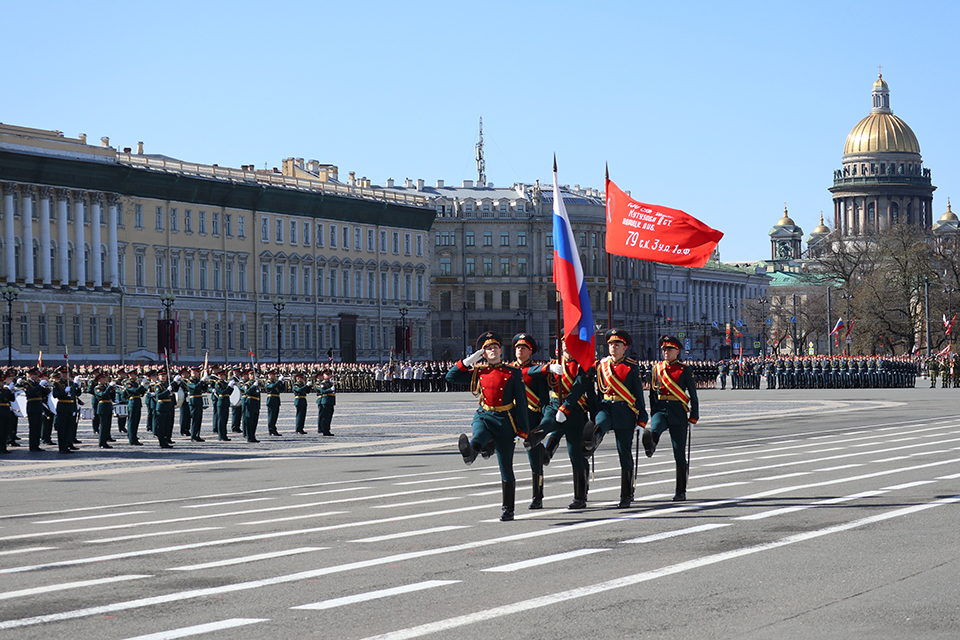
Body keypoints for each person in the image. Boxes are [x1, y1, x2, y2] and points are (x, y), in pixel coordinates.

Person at [448, 331, 529, 522]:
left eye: (494, 347)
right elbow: (451, 377)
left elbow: (522, 403)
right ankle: (471, 450)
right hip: (484, 415)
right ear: (483, 353)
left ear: (501, 350)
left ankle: (508, 509)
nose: (492, 351)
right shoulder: (479, 371)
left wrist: (523, 430)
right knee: (479, 434)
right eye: (487, 349)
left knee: (506, 468)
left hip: (505, 420)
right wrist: (468, 361)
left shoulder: (512, 372)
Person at [585, 329, 647, 508]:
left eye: (617, 345)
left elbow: (638, 393)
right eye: (611, 344)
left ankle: (626, 494)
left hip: (625, 411)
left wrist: (641, 419)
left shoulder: (631, 366)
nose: (613, 347)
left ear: (624, 348)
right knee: (600, 424)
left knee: (624, 453)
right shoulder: (601, 365)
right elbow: (598, 390)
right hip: (606, 407)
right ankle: (590, 443)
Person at [642, 335, 700, 501]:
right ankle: (651, 445)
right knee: (655, 428)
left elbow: (693, 395)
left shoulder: (684, 369)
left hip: (678, 411)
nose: (666, 352)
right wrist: (653, 412)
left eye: (669, 349)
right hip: (661, 409)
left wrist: (694, 416)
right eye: (664, 349)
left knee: (679, 452)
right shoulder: (656, 368)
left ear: (677, 351)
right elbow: (653, 393)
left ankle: (680, 491)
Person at [511, 333, 551, 509]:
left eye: (524, 348)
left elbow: (543, 399)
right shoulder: (508, 369)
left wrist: (543, 422)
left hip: (531, 418)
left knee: (534, 461)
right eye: (518, 347)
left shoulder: (536, 372)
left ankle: (538, 496)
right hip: (511, 418)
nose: (520, 350)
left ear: (530, 352)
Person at [22, 366, 49, 452]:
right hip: (32, 406)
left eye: (36, 374)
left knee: (38, 427)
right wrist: (40, 385)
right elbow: (30, 392)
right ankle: (32, 445)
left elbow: (44, 394)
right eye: (34, 375)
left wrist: (46, 387)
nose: (36, 376)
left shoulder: (37, 384)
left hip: (38, 406)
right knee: (33, 428)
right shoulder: (26, 383)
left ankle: (36, 445)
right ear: (30, 375)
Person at [92, 372, 117, 449]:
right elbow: (103, 395)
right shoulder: (97, 388)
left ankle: (105, 441)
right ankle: (101, 442)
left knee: (107, 425)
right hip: (102, 407)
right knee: (103, 426)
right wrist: (109, 387)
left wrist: (113, 389)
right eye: (103, 378)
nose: (105, 380)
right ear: (99, 380)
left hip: (108, 407)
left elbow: (111, 396)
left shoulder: (106, 387)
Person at [124, 369, 147, 446]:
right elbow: (135, 391)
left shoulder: (135, 383)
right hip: (132, 403)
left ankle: (134, 437)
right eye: (134, 375)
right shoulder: (129, 384)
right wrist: (142, 386)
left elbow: (140, 393)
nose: (135, 376)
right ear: (130, 375)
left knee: (136, 422)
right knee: (132, 422)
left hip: (137, 403)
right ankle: (131, 439)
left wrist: (144, 388)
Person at [241, 369, 261, 443]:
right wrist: (253, 386)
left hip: (256, 404)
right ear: (249, 376)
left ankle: (253, 436)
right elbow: (247, 392)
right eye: (251, 374)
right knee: (249, 421)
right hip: (250, 403)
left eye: (254, 374)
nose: (253, 376)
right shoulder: (247, 384)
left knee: (254, 421)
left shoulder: (257, 384)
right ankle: (249, 437)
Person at [316, 369, 336, 436]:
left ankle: (327, 429)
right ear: (324, 376)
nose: (328, 375)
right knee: (325, 417)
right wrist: (330, 389)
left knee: (329, 416)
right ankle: (325, 430)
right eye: (327, 374)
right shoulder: (323, 383)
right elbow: (322, 391)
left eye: (329, 374)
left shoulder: (330, 383)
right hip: (326, 401)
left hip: (330, 401)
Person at [265, 370, 283, 436]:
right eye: (272, 374)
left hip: (276, 400)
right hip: (271, 400)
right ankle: (271, 430)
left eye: (274, 374)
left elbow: (281, 389)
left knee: (275, 416)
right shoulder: (268, 382)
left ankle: (274, 430)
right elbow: (272, 387)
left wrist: (282, 383)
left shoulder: (275, 382)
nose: (274, 376)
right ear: (269, 375)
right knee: (271, 417)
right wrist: (279, 382)